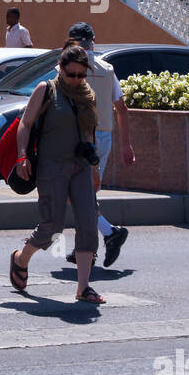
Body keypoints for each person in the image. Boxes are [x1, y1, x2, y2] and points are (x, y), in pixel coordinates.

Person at [9, 41, 104, 304]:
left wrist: (94, 168)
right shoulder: (46, 90)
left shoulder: (87, 95)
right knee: (52, 226)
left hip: (80, 167)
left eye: (81, 75)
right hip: (52, 167)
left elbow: (89, 134)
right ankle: (21, 258)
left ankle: (83, 287)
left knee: (88, 221)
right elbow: (25, 125)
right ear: (60, 69)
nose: (76, 80)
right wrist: (22, 156)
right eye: (70, 74)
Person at [65, 22, 135, 268]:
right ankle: (86, 247)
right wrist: (126, 145)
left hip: (80, 138)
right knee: (84, 193)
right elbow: (122, 109)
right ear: (92, 41)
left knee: (76, 194)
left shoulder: (68, 66)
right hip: (103, 135)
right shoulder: (107, 69)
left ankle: (108, 234)